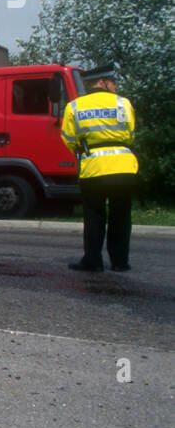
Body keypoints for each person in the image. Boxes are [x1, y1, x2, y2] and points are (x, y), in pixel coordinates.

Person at [60, 64, 138, 272]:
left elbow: (68, 138)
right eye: (113, 82)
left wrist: (82, 149)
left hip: (93, 169)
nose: (115, 86)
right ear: (102, 82)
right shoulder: (123, 103)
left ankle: (93, 261)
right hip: (124, 169)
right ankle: (120, 262)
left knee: (94, 216)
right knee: (121, 216)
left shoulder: (75, 107)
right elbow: (130, 134)